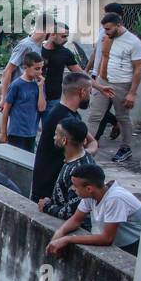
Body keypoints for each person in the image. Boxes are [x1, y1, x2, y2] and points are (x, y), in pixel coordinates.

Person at [46, 164, 141, 256]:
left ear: (89, 189)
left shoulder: (114, 199)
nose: (73, 189)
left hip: (138, 244)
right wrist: (60, 232)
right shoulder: (91, 195)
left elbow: (107, 238)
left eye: (75, 186)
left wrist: (68, 239)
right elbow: (76, 220)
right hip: (122, 242)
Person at [31, 72, 98, 201]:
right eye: (89, 92)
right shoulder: (65, 120)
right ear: (82, 92)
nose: (90, 96)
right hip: (49, 189)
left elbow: (93, 142)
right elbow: (92, 144)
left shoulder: (70, 115)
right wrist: (83, 154)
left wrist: (82, 154)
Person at [88, 12, 141, 164]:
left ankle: (125, 147)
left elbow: (138, 69)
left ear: (118, 26)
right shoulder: (106, 38)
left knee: (122, 117)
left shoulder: (134, 43)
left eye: (108, 29)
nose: (105, 32)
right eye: (104, 29)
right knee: (94, 115)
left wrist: (132, 93)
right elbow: (100, 57)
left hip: (121, 83)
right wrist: (95, 76)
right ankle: (88, 146)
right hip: (103, 80)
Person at [37, 117, 96, 223]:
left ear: (64, 140)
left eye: (56, 134)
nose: (54, 137)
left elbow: (72, 213)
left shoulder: (78, 172)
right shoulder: (83, 158)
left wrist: (47, 207)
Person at [0, 51, 46, 151]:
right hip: (17, 132)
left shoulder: (38, 85)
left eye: (41, 68)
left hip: (31, 132)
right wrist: (3, 133)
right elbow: (6, 109)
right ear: (25, 67)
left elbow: (41, 108)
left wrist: (41, 87)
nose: (40, 72)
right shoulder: (16, 85)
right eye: (37, 69)